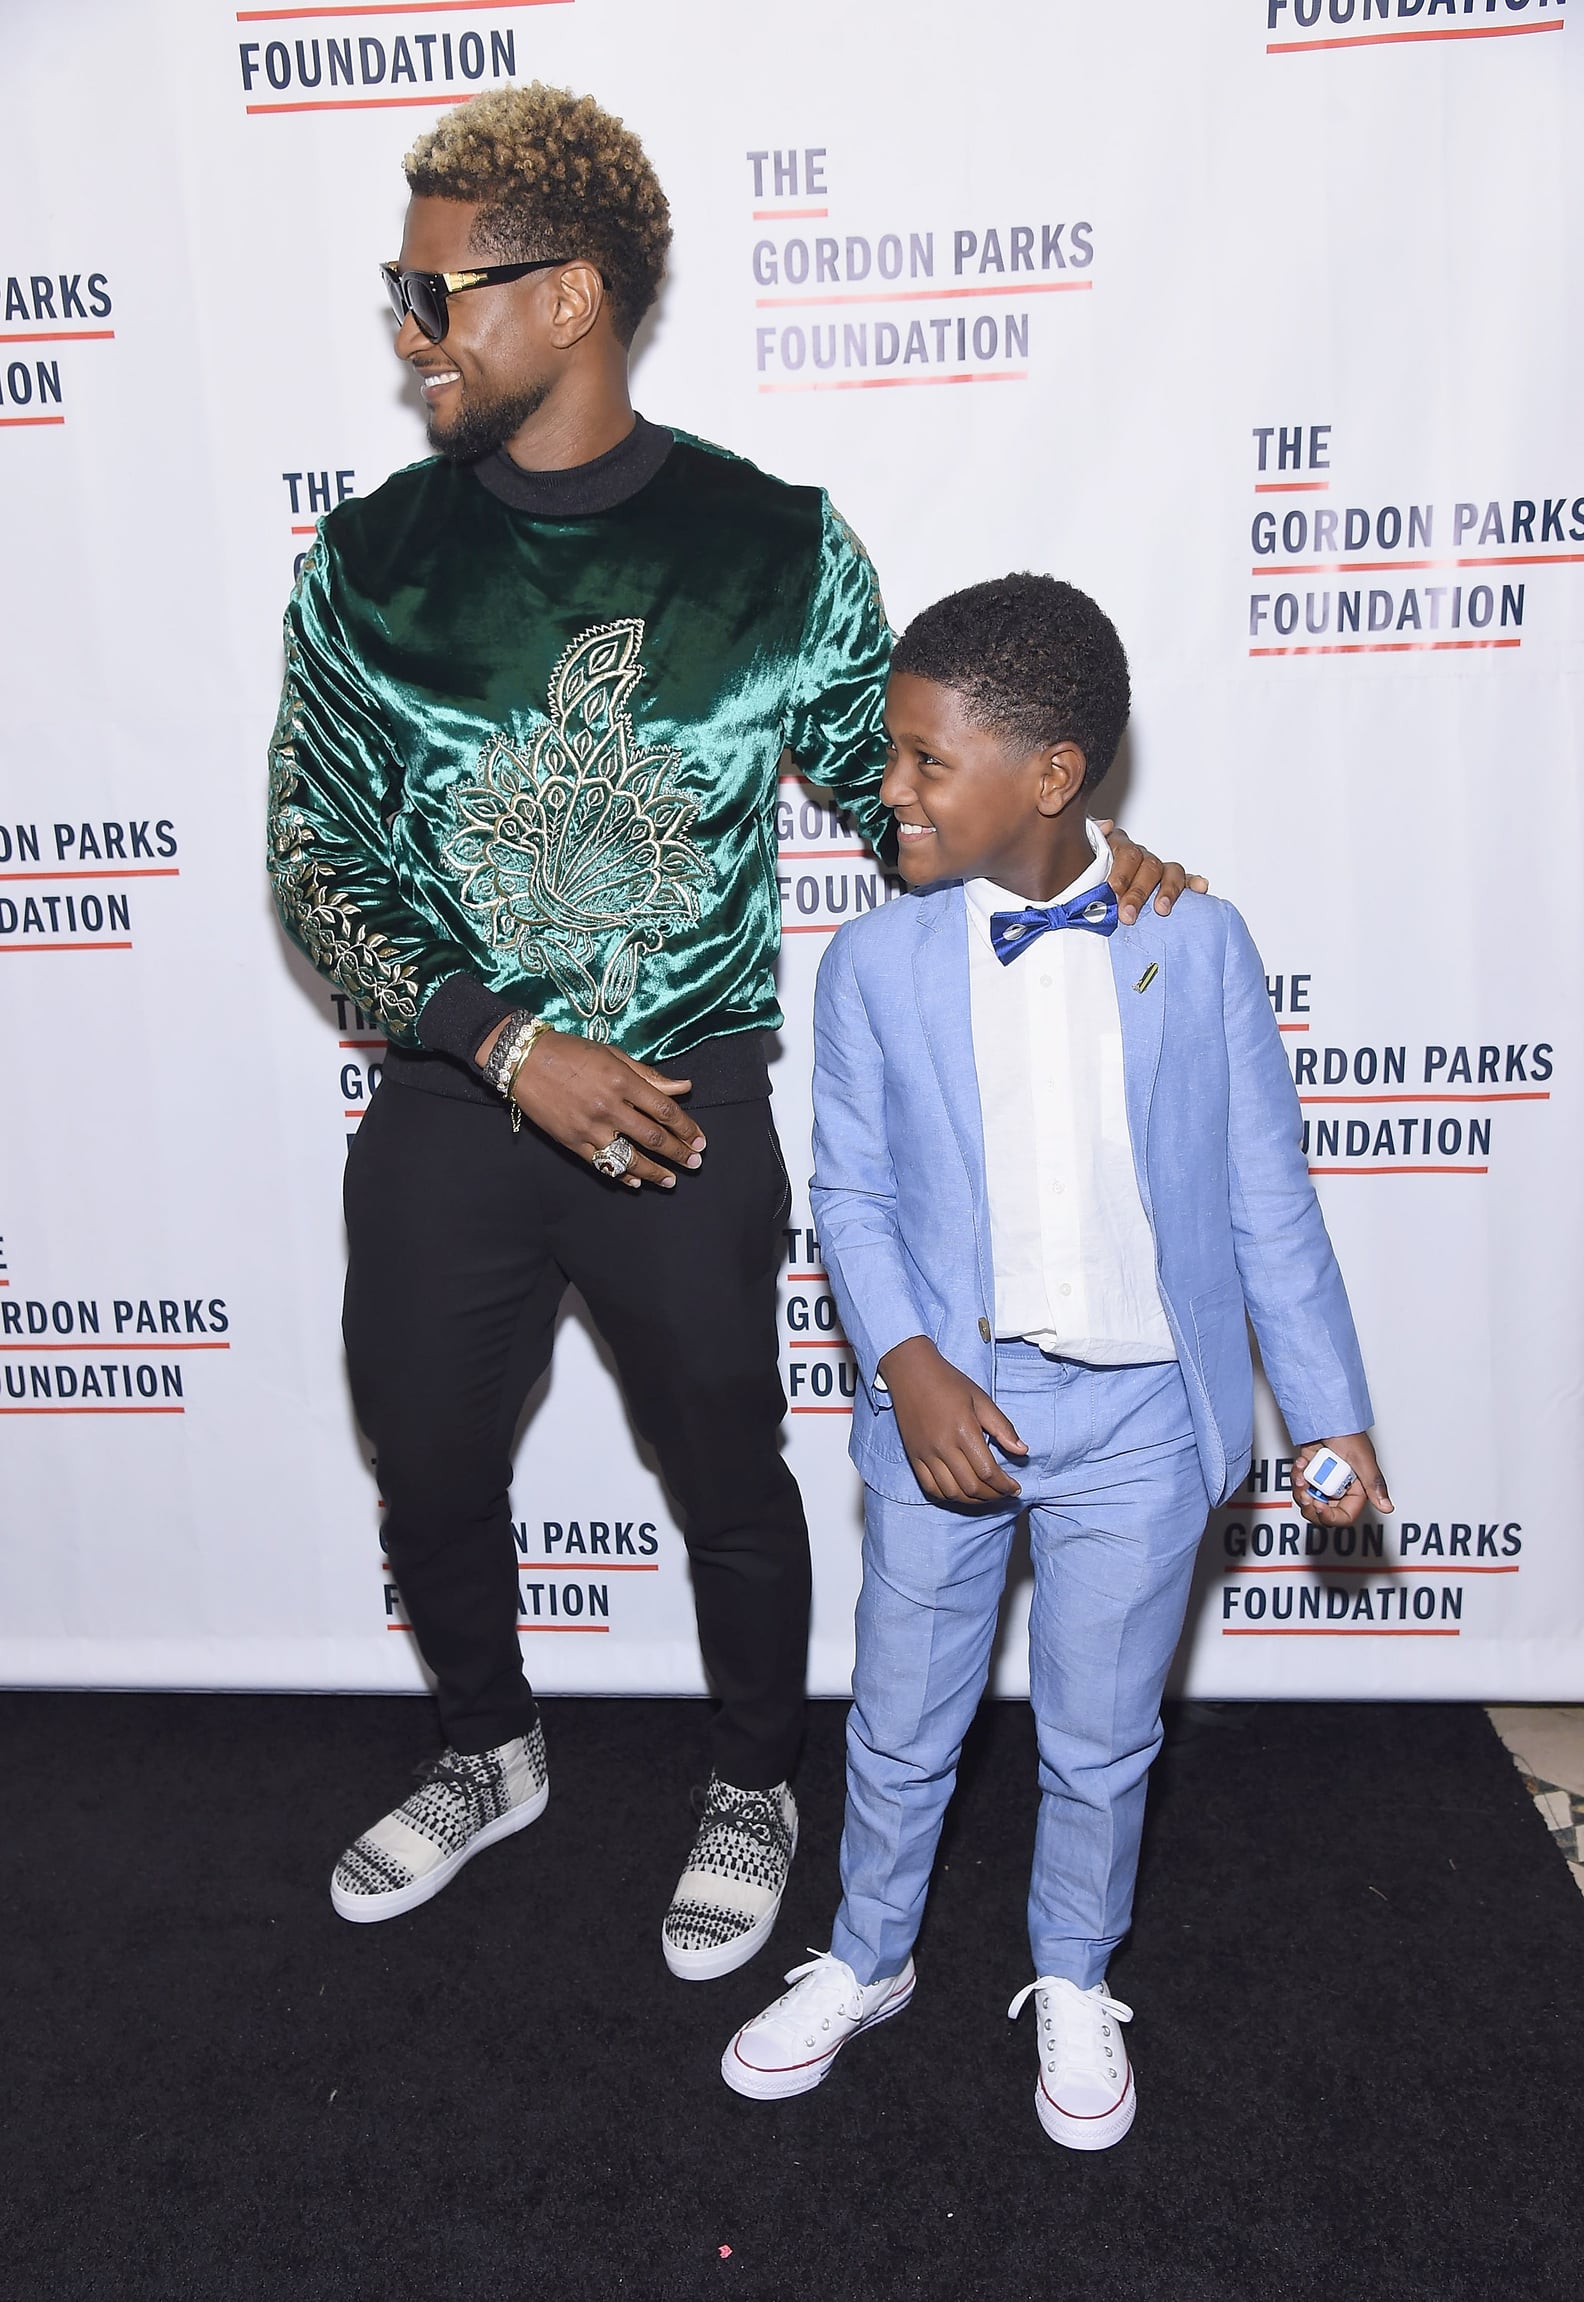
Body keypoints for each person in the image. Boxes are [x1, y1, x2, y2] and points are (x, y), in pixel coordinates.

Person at [266, 86, 1196, 1978]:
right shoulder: (366, 570)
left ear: (573, 299)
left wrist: (1066, 845)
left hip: (689, 1103)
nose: (409, 326)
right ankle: (486, 1744)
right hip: (459, 1091)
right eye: (402, 288)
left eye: (437, 289)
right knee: (428, 1453)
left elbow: (904, 806)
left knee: (725, 1459)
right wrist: (509, 1043)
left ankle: (758, 1779)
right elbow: (313, 860)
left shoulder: (772, 548)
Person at [722, 574, 1391, 2139]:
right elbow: (859, 1195)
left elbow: (1264, 1198)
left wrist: (1331, 1414)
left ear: (1052, 773)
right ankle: (869, 1953)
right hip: (951, 1410)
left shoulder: (1195, 940)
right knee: (898, 1720)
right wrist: (903, 1360)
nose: (887, 785)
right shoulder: (874, 963)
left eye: (922, 758)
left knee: (1102, 1736)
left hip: (1147, 1423)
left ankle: (1076, 1976)